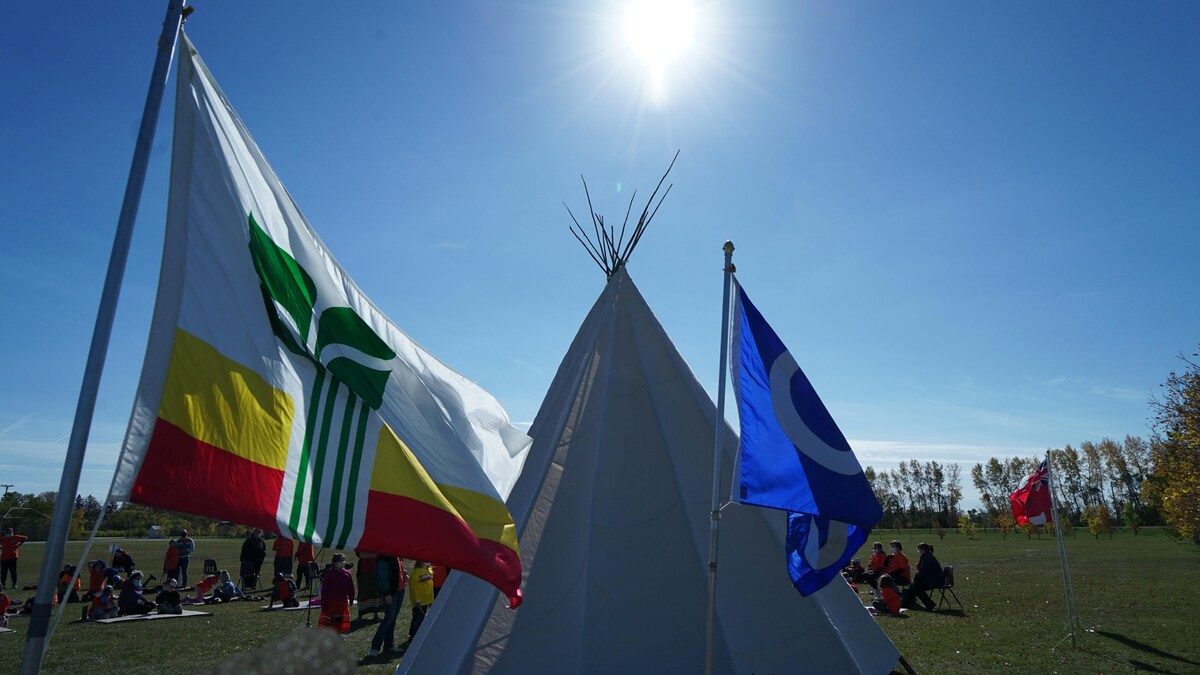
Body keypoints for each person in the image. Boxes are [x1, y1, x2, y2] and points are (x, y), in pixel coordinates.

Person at [368, 555, 406, 657]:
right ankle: (375, 647)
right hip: (391, 592)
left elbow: (399, 569)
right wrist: (386, 593)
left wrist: (405, 574)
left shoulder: (399, 556)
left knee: (393, 619)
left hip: (400, 591)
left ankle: (389, 645)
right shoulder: (385, 557)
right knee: (388, 618)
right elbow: (381, 577)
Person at [902, 542, 944, 611]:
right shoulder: (927, 556)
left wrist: (916, 579)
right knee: (914, 586)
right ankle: (909, 604)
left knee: (915, 587)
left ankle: (908, 604)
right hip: (932, 579)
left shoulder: (926, 557)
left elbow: (923, 571)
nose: (918, 551)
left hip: (935, 581)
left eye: (919, 549)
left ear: (923, 550)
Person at [318, 553, 355, 633]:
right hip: (331, 601)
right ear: (335, 563)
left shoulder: (347, 573)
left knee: (340, 618)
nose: (343, 562)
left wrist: (351, 599)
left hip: (343, 601)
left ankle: (338, 632)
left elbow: (351, 588)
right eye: (341, 560)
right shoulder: (330, 574)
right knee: (330, 618)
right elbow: (324, 590)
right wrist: (324, 603)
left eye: (344, 560)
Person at [408, 561, 434, 640]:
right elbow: (413, 587)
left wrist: (431, 600)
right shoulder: (416, 572)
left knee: (422, 617)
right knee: (417, 618)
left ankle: (419, 634)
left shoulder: (428, 570)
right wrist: (417, 599)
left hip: (426, 600)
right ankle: (412, 636)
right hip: (419, 600)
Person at [356, 551, 381, 620]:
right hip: (363, 572)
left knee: (375, 593)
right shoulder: (362, 546)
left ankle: (376, 614)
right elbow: (360, 554)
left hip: (375, 571)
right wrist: (372, 554)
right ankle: (360, 614)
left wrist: (368, 554)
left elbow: (378, 555)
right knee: (362, 593)